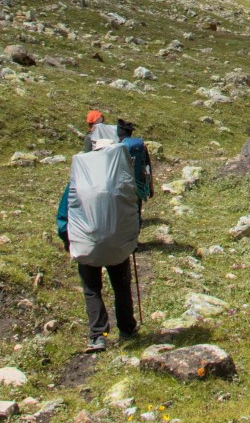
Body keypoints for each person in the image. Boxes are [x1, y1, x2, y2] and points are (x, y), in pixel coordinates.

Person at [57, 140, 140, 352]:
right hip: (117, 243)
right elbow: (132, 211)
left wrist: (68, 240)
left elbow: (64, 213)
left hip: (86, 242)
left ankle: (98, 336)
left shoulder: (79, 179)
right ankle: (127, 329)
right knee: (121, 286)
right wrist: (131, 240)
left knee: (92, 289)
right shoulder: (120, 180)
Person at [116, 118, 155, 204]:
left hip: (123, 185)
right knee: (137, 202)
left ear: (118, 133)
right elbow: (147, 165)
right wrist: (151, 187)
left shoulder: (118, 147)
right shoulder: (140, 145)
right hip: (138, 183)